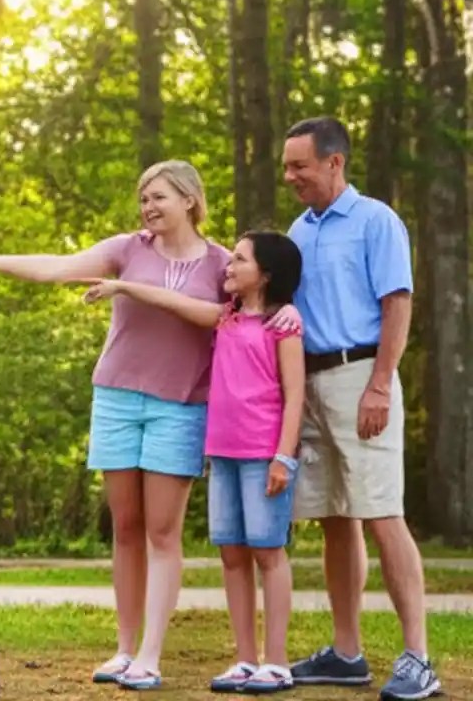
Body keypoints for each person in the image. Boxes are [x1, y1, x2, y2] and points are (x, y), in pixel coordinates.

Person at [0, 160, 295, 690]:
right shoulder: (128, 249)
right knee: (125, 529)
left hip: (179, 406)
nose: (147, 207)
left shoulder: (222, 264)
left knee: (163, 532)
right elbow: (57, 266)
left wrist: (291, 312)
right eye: (143, 198)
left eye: (158, 197)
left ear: (190, 200)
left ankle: (151, 655)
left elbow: (244, 307)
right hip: (117, 400)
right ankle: (124, 649)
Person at [80, 230, 306, 694]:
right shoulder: (223, 319)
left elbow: (295, 393)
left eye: (239, 260)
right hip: (222, 455)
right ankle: (245, 659)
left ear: (264, 274)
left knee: (267, 551)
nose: (228, 266)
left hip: (264, 456)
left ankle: (277, 661)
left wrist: (284, 455)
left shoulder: (283, 326)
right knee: (231, 555)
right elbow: (169, 301)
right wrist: (122, 286)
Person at [279, 116, 440, 700]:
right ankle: (346, 653)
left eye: (299, 165)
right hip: (312, 383)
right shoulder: (299, 230)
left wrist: (379, 385)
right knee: (334, 519)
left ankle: (418, 657)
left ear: (334, 162)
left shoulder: (376, 221)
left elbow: (396, 303)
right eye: (286, 166)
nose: (290, 176)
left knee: (381, 511)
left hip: (361, 377)